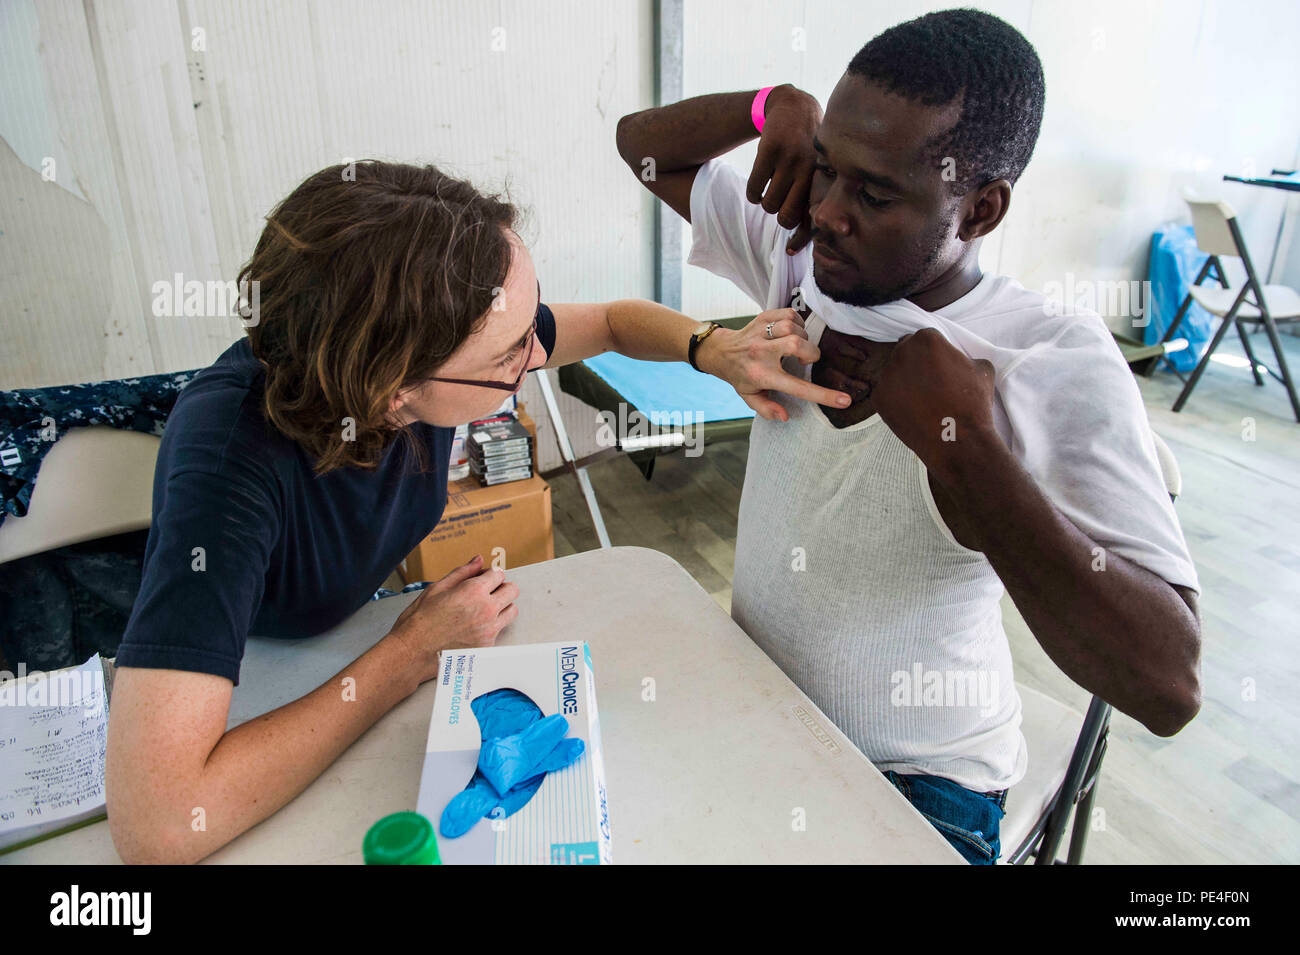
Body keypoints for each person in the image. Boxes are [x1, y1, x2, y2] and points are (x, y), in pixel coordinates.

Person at [105, 160, 851, 864]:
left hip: (339, 651)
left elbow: (616, 322)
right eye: (507, 357)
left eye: (530, 326)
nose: (535, 357)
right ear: (391, 387)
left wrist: (708, 347)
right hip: (251, 684)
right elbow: (161, 821)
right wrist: (408, 654)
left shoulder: (432, 345)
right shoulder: (228, 469)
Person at [616, 8, 1202, 863]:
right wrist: (764, 106)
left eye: (874, 193)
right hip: (760, 705)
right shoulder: (802, 262)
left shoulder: (1043, 358)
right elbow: (642, 147)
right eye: (824, 172)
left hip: (919, 781)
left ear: (981, 210)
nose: (826, 212)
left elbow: (1167, 684)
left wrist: (964, 448)